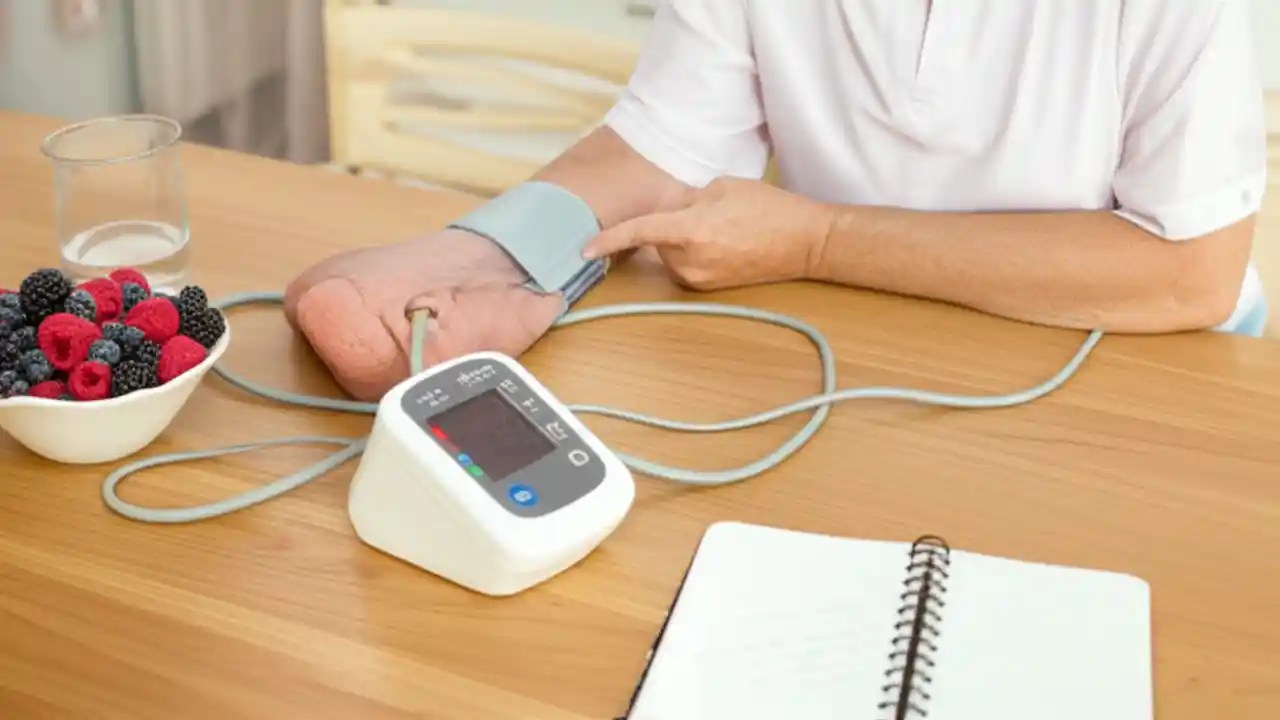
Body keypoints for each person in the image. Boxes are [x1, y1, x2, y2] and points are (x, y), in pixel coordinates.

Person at [286, 0, 1269, 402]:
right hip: (861, 361)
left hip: (1147, 379)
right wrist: (490, 253)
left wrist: (819, 239)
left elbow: (1187, 270)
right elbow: (661, 149)